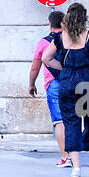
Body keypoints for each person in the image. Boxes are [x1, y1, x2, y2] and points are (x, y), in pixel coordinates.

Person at [41, 2, 89, 177]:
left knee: (71, 122)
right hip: (88, 81)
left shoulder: (61, 37)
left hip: (68, 81)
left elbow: (45, 58)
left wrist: (63, 68)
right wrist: (88, 64)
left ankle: (76, 168)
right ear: (84, 18)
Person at [28, 9, 71, 168]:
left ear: (50, 24)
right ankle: (75, 155)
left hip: (53, 84)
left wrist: (31, 84)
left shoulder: (43, 42)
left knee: (59, 121)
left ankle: (66, 157)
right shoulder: (70, 39)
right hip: (71, 82)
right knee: (71, 120)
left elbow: (35, 67)